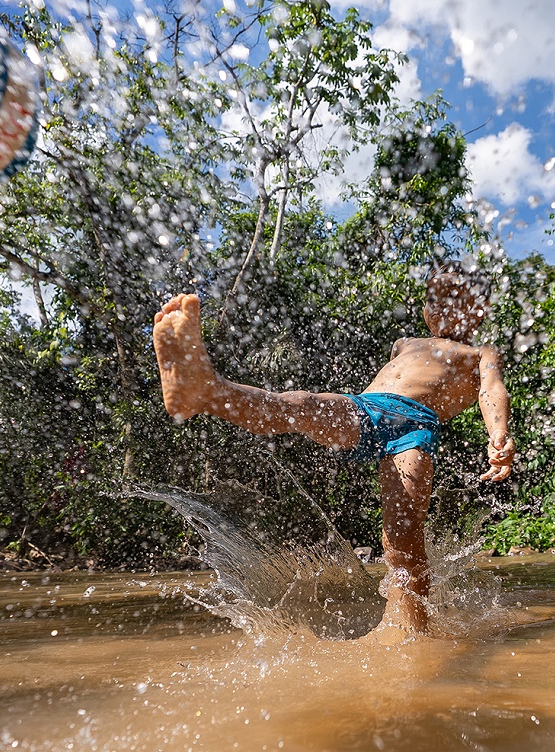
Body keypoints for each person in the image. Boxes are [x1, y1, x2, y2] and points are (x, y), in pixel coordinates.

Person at [152, 264, 515, 635]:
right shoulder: (405, 343)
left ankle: (414, 634)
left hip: (415, 430)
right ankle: (206, 391)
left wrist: (498, 433)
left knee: (402, 541)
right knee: (299, 404)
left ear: (478, 308)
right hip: (365, 409)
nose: (437, 307)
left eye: (450, 297)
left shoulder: (479, 352)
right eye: (431, 299)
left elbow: (491, 390)